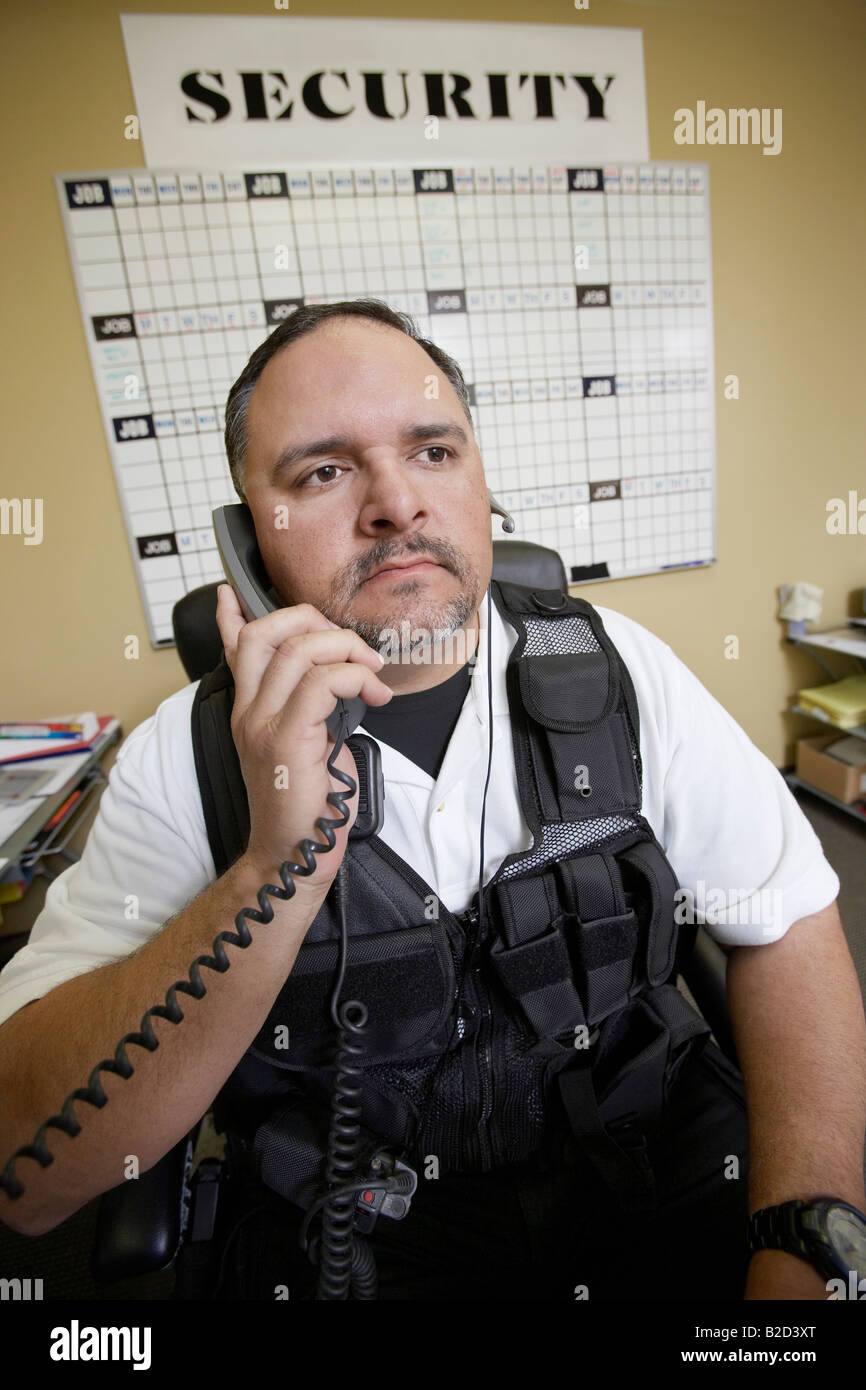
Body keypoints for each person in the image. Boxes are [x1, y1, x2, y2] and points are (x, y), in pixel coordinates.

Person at [0, 299, 864, 1303]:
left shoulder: (625, 671)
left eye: (432, 451)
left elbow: (787, 920)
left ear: (479, 480)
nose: (396, 504)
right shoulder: (178, 762)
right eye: (323, 471)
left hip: (652, 1188)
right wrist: (271, 871)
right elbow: (31, 1181)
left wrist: (805, 1234)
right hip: (359, 1244)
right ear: (248, 537)